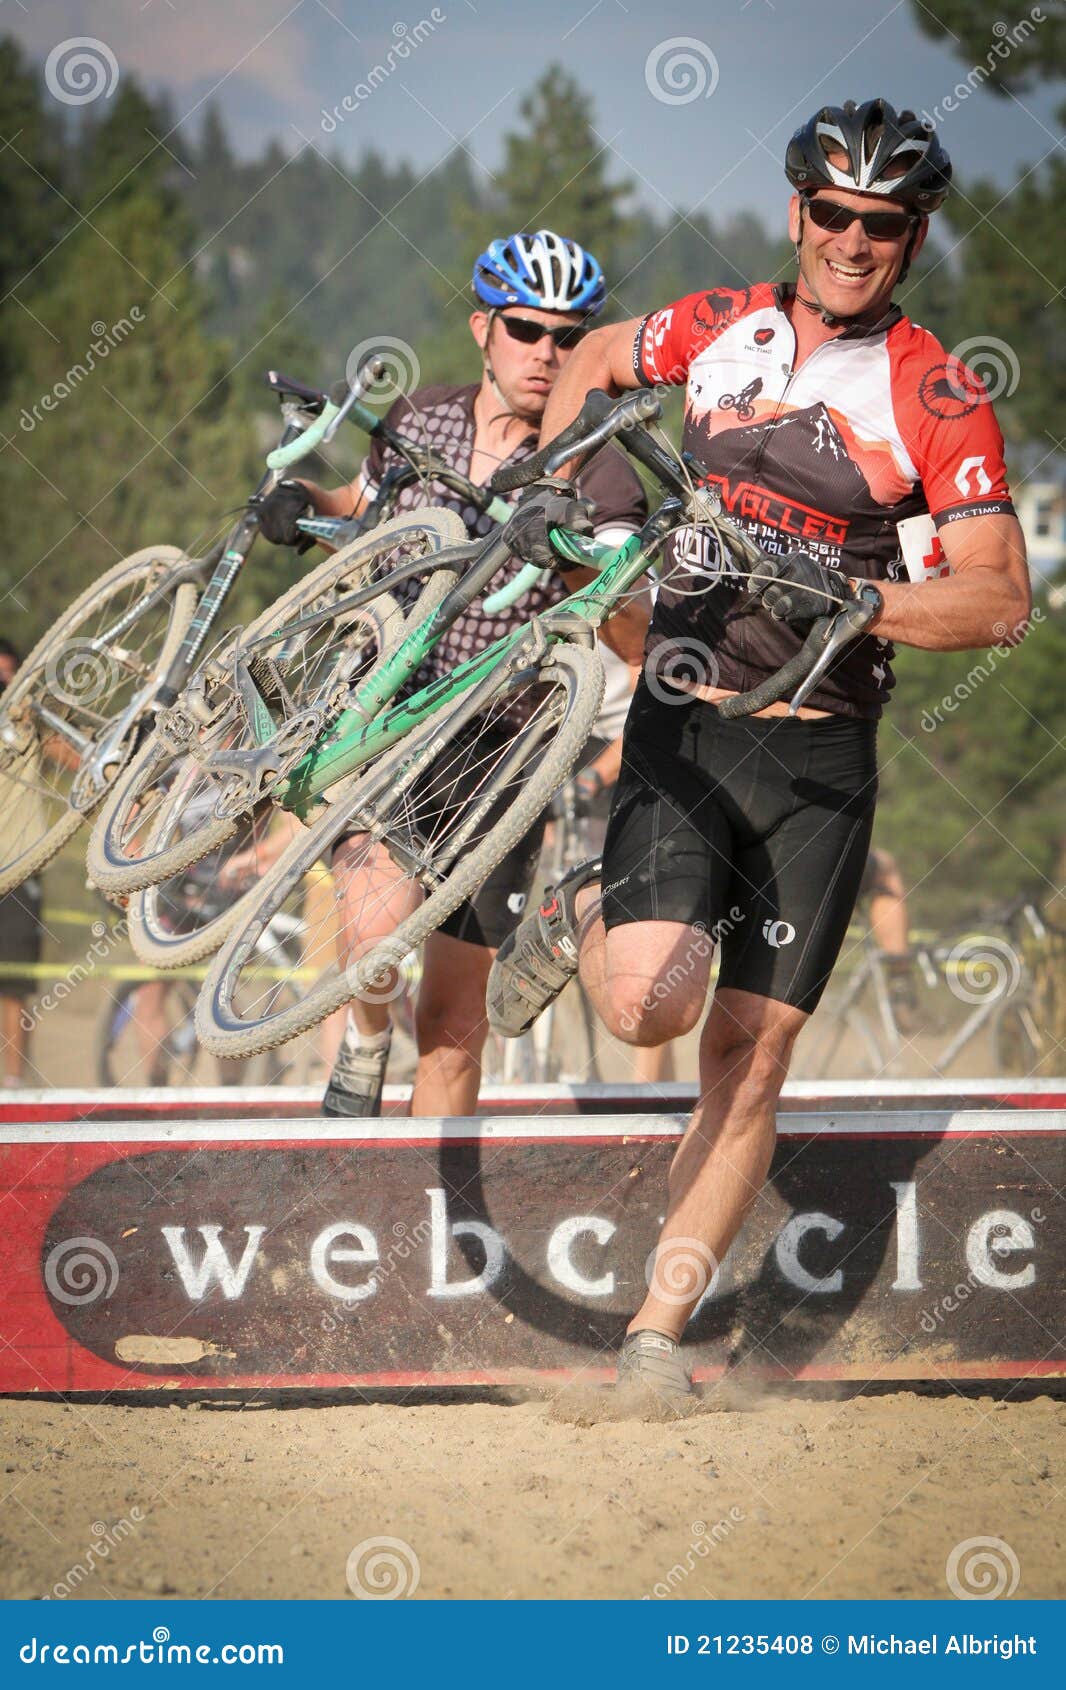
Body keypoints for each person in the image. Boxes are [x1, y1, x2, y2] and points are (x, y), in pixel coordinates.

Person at [488, 100, 1031, 1396]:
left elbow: (999, 596)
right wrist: (555, 485)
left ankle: (651, 1341)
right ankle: (577, 910)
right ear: (797, 213)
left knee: (749, 1059)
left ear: (912, 238)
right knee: (647, 1006)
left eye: (881, 223)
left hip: (820, 761)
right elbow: (596, 355)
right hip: (685, 716)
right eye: (831, 213)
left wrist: (862, 601)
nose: (851, 240)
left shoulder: (937, 392)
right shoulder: (715, 323)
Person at [255, 229, 648, 1117]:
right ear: (483, 329)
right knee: (373, 935)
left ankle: (432, 1199)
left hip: (506, 750)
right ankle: (363, 1038)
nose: (546, 353)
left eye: (568, 337)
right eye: (525, 329)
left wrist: (586, 564)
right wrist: (303, 504)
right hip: (391, 719)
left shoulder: (600, 466)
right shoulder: (421, 420)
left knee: (451, 1022)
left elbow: (633, 622)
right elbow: (363, 515)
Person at [0, 641, 43, 1087]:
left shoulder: (29, 723)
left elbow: (76, 759)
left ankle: (15, 1083)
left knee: (15, 986)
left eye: (11, 675)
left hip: (20, 870)